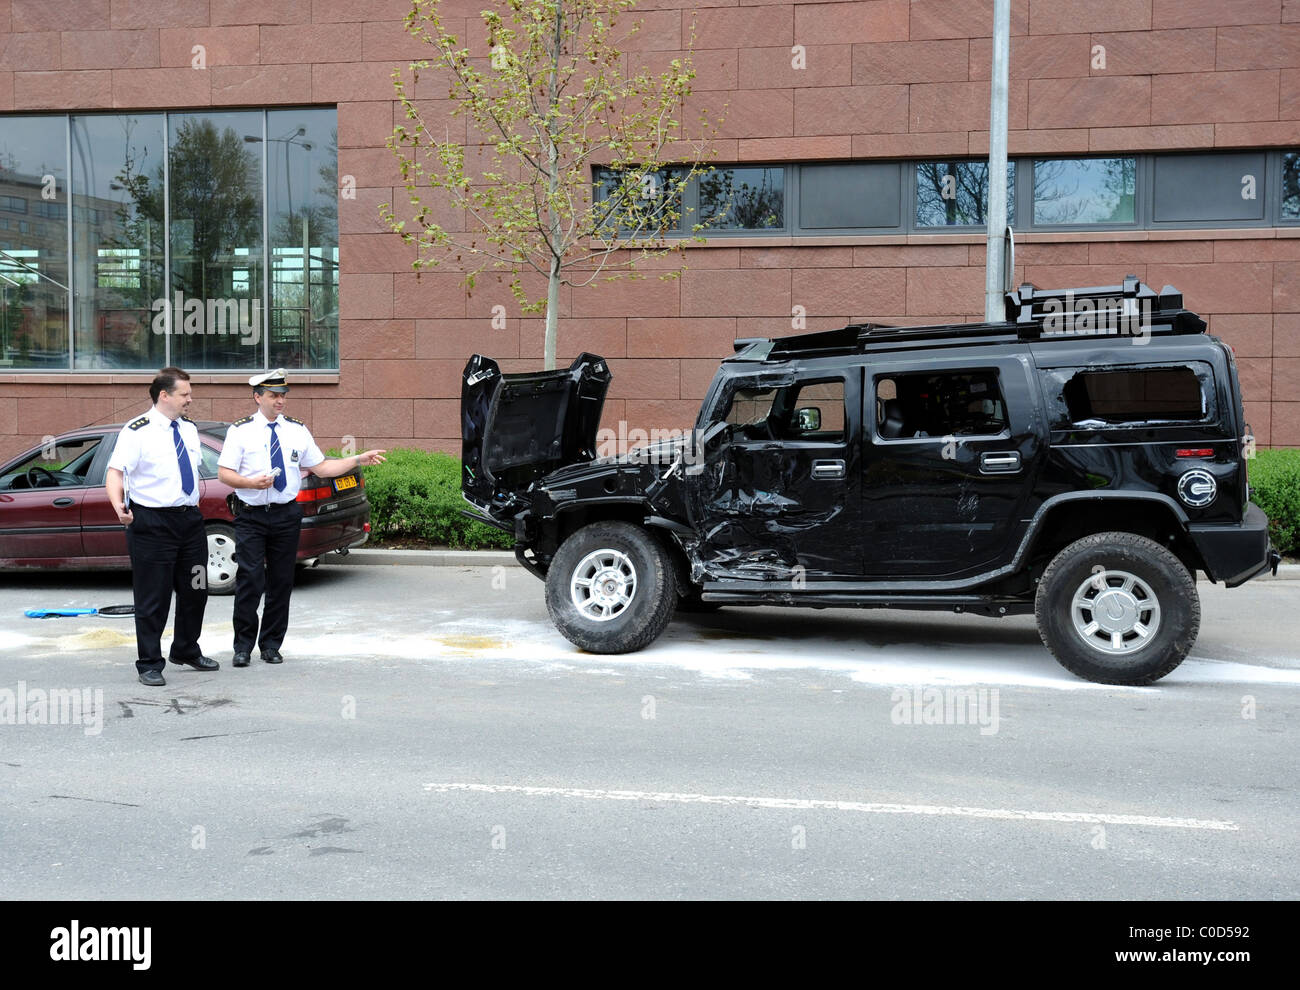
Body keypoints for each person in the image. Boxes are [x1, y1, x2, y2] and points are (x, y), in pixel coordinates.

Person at [217, 369, 386, 667]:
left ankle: (271, 645)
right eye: (273, 396)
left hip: (285, 515)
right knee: (250, 580)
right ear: (258, 397)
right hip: (251, 515)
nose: (280, 401)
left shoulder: (296, 430)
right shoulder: (240, 431)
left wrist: (356, 459)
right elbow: (224, 474)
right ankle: (242, 646)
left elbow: (321, 468)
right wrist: (250, 483)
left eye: (282, 396)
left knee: (281, 582)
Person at [105, 367, 218, 687]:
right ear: (164, 395)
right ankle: (149, 662)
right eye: (185, 394)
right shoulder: (137, 430)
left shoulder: (189, 429)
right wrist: (118, 506)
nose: (190, 399)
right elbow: (115, 473)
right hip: (152, 523)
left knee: (196, 589)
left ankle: (185, 648)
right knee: (153, 597)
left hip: (189, 522)